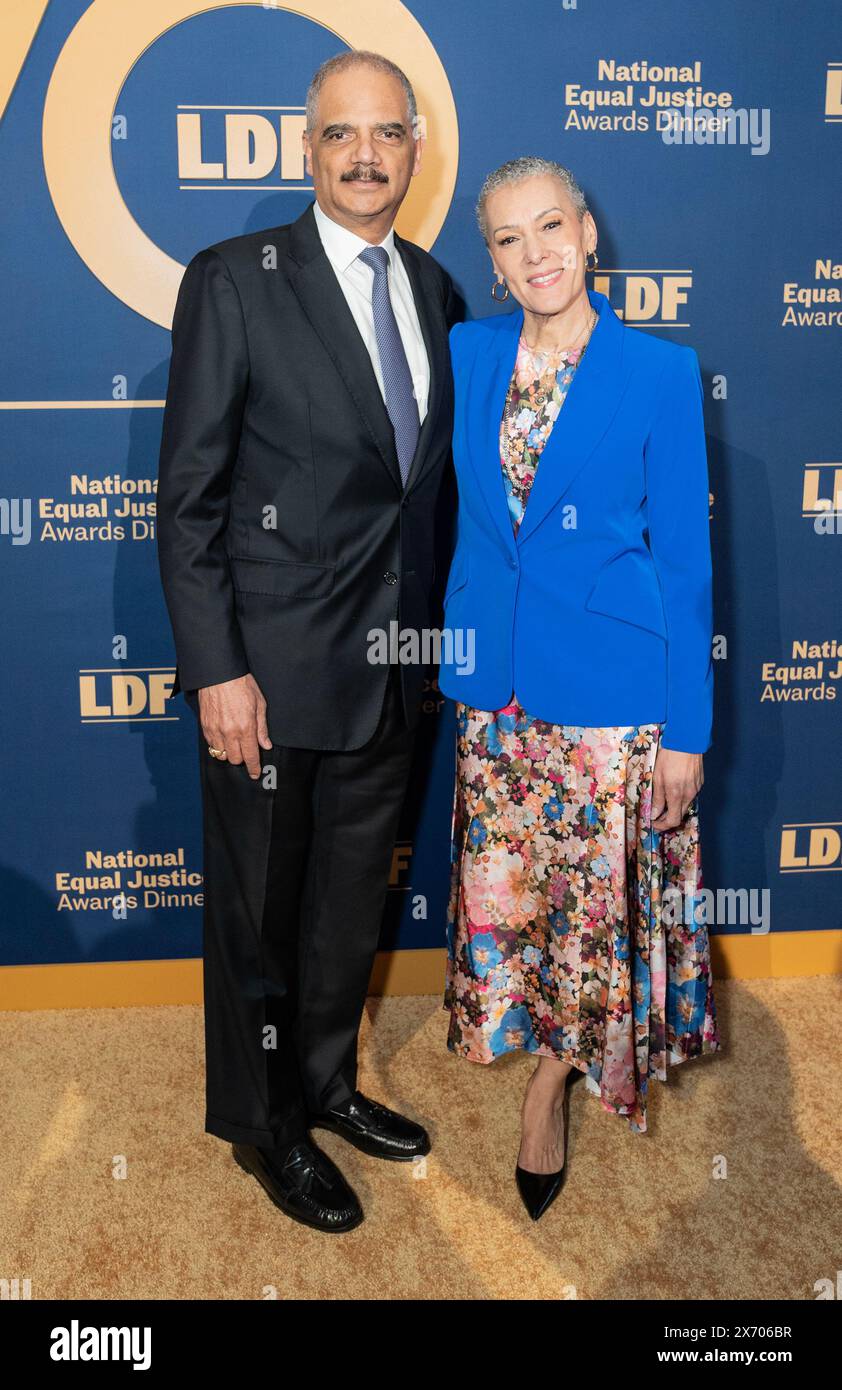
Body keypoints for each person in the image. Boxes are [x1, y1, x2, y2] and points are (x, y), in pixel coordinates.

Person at [157, 51, 458, 1233]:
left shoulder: (434, 290)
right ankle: (264, 1123)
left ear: (416, 145)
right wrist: (218, 669)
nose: (366, 154)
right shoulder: (235, 279)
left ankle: (325, 1083)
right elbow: (189, 499)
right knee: (257, 917)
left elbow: (420, 496)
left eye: (387, 132)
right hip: (267, 683)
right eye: (342, 134)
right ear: (307, 147)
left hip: (391, 676)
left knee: (344, 908)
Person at [437, 156, 720, 1222]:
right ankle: (533, 1050)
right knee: (514, 906)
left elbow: (687, 566)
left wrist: (685, 730)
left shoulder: (654, 372)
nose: (534, 253)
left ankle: (550, 1089)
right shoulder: (468, 353)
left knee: (588, 916)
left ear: (588, 231)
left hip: (609, 696)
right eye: (507, 240)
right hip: (497, 690)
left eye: (549, 226)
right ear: (494, 261)